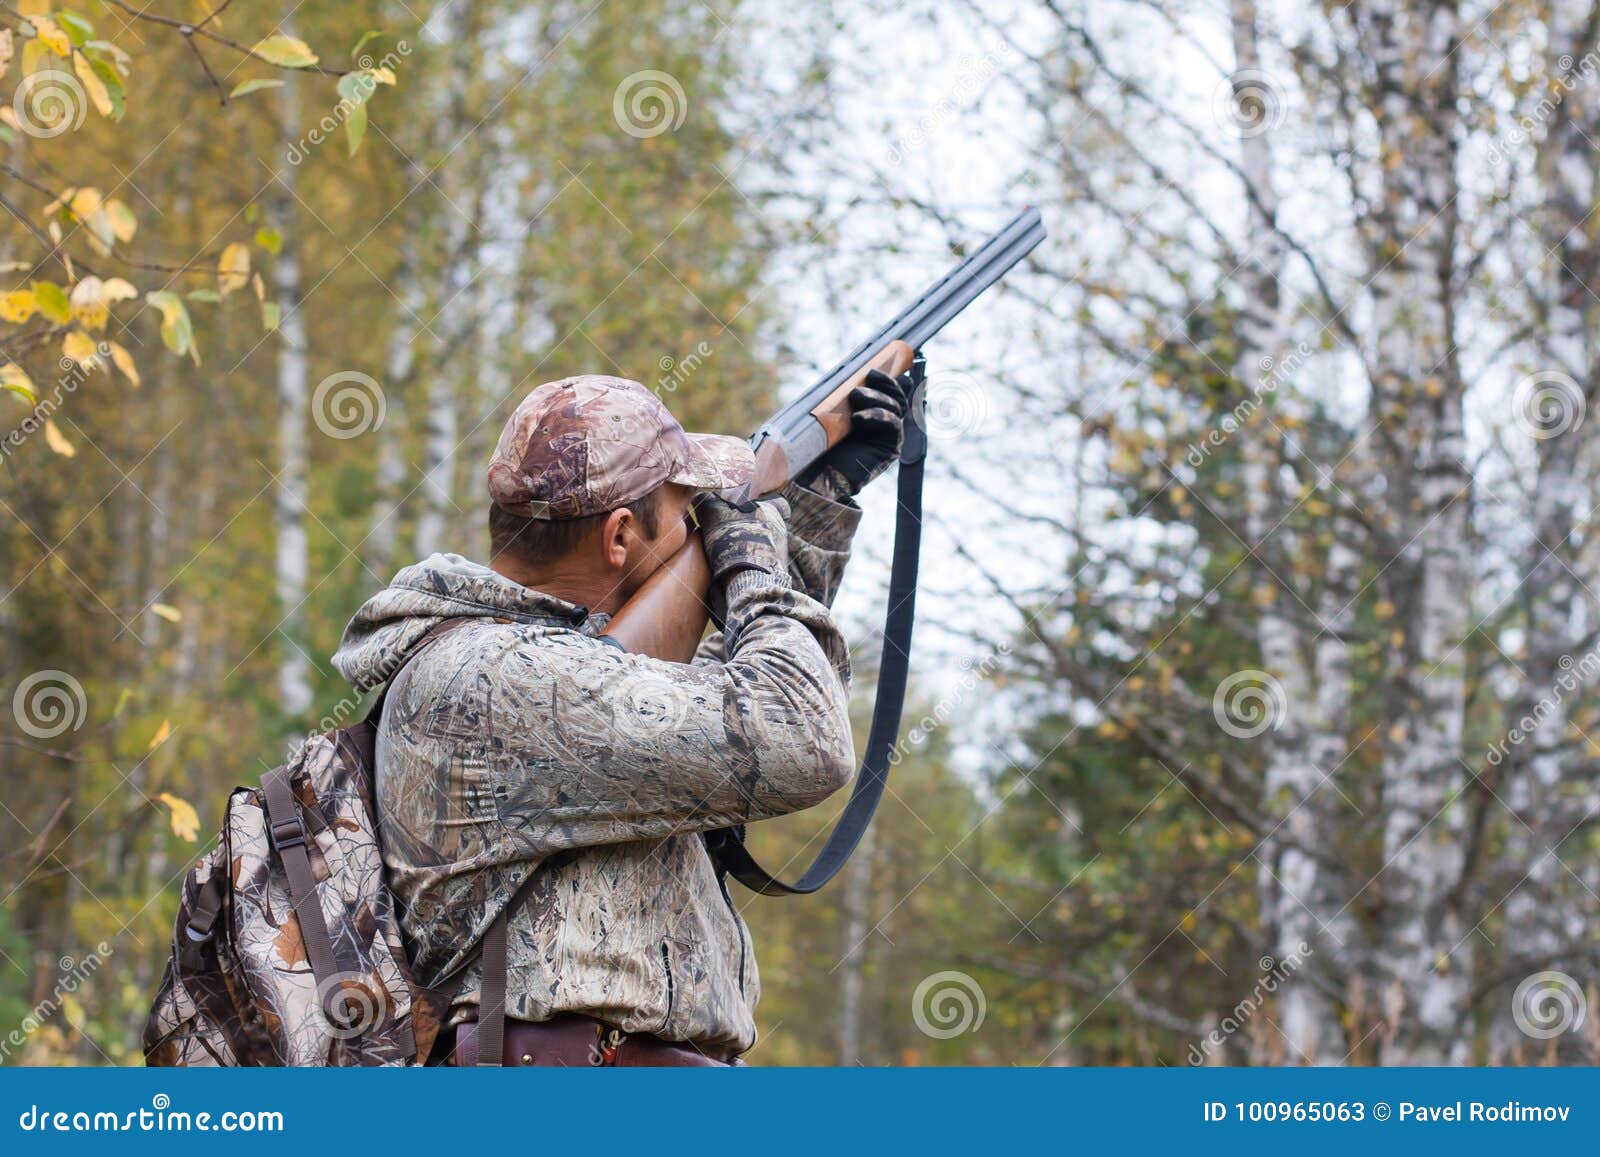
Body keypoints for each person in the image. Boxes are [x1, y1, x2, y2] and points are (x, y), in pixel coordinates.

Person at [330, 370, 909, 1065]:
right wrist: (752, 558)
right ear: (619, 536)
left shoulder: (539, 672)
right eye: (689, 512)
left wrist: (817, 504)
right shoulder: (496, 675)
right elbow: (796, 733)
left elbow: (724, 712)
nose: (704, 527)